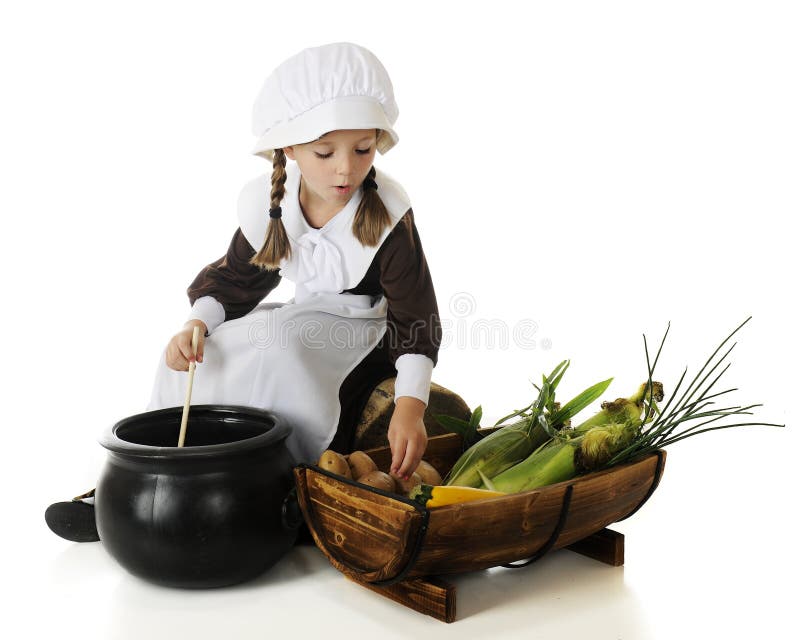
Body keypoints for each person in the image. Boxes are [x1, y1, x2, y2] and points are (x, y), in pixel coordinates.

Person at [45, 42, 441, 543]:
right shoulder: (274, 205)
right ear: (290, 150)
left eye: (363, 149)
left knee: (280, 351)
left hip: (368, 331)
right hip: (309, 314)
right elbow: (237, 278)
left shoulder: (386, 214)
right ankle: (144, 484)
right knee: (213, 354)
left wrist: (411, 404)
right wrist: (198, 324)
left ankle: (277, 494)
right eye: (325, 153)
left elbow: (415, 314)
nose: (345, 169)